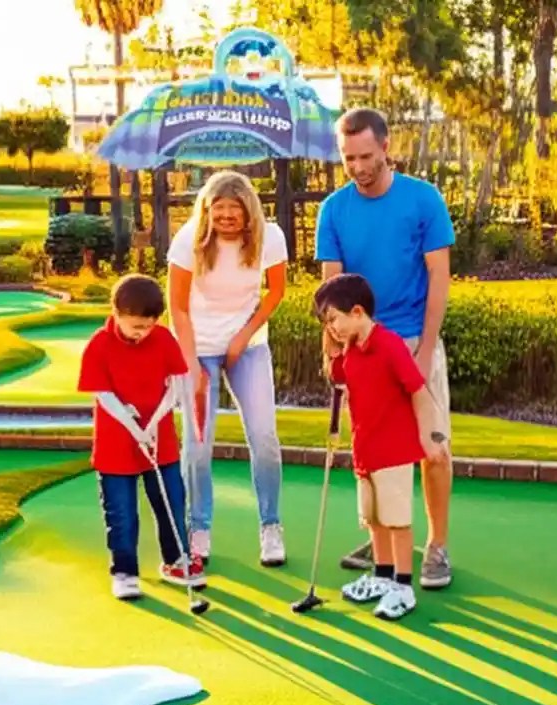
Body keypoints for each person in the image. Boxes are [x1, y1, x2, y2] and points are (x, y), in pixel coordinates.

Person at [315, 107, 457, 589]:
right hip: (361, 348)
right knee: (374, 451)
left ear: (386, 145)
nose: (356, 167)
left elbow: (439, 275)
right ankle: (382, 542)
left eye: (365, 156)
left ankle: (436, 546)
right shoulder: (334, 209)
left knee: (431, 449)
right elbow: (331, 288)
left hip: (414, 338)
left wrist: (425, 348)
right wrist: (331, 348)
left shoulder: (423, 199)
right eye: (348, 157)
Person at [167, 170, 289, 567]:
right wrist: (191, 366)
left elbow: (277, 291)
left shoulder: (269, 237)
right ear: (206, 209)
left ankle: (271, 526)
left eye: (233, 210)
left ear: (248, 211)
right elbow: (179, 308)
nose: (225, 217)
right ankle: (198, 528)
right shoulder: (188, 240)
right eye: (217, 209)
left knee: (264, 436)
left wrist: (242, 336)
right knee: (198, 447)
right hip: (197, 347)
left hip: (248, 346)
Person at [314, 273, 451, 620]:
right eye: (327, 324)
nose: (331, 329)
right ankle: (382, 575)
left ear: (357, 311)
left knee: (397, 521)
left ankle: (403, 587)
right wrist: (335, 358)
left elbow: (418, 392)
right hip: (367, 450)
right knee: (374, 519)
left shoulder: (389, 345)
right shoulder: (352, 351)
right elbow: (341, 381)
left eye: (333, 320)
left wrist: (427, 437)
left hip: (393, 451)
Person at [77, 274, 206, 600]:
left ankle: (176, 561)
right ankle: (124, 572)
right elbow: (102, 395)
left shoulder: (162, 339)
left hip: (160, 442)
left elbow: (176, 388)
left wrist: (152, 424)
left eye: (148, 326)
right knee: (121, 513)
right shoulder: (99, 345)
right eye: (135, 326)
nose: (142, 333)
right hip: (115, 446)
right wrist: (134, 426)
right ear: (116, 313)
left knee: (172, 501)